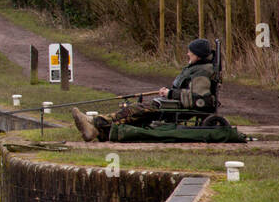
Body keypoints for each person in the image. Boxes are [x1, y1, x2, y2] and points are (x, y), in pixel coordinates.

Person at [72, 38, 216, 141]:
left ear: (197, 55)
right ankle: (98, 132)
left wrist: (170, 93)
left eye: (190, 52)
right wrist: (168, 92)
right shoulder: (197, 68)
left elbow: (200, 99)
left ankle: (94, 121)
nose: (187, 54)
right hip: (172, 104)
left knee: (135, 110)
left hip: (176, 109)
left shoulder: (202, 73)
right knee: (136, 114)